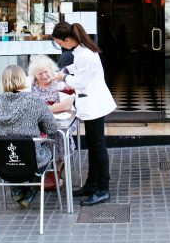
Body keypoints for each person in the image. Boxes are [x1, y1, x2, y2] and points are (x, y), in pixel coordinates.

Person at [52, 21, 116, 206]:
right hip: (90, 104)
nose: (60, 46)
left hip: (94, 104)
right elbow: (76, 69)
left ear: (66, 39)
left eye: (59, 43)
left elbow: (80, 81)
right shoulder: (80, 51)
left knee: (97, 146)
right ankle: (91, 184)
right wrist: (64, 70)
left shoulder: (86, 54)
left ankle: (103, 189)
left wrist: (62, 76)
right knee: (94, 145)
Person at [0, 64, 59, 208]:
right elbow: (52, 128)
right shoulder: (34, 101)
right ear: (24, 79)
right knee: (48, 144)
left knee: (12, 147)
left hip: (3, 162)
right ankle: (30, 192)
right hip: (32, 161)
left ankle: (16, 189)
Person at [28, 54, 77, 188]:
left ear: (52, 70)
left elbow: (67, 105)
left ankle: (54, 171)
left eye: (46, 72)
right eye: (39, 74)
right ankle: (37, 168)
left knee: (55, 133)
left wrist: (45, 109)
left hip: (60, 123)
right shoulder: (31, 86)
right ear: (34, 75)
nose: (44, 76)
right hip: (37, 124)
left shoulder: (60, 83)